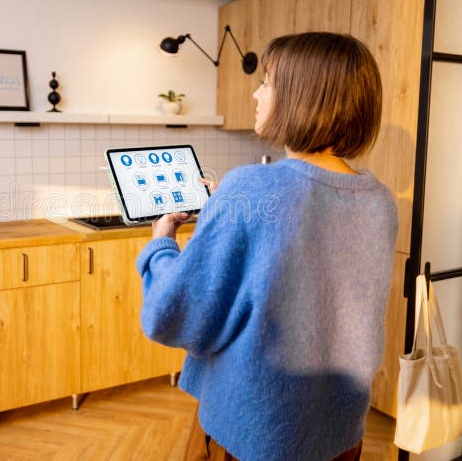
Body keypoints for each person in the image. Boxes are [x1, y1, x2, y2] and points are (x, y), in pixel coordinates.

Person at [136, 32, 398, 461]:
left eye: (268, 82)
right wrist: (233, 207)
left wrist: (161, 243)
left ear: (302, 97)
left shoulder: (254, 190)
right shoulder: (378, 200)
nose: (256, 94)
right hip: (341, 430)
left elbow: (173, 312)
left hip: (258, 433)